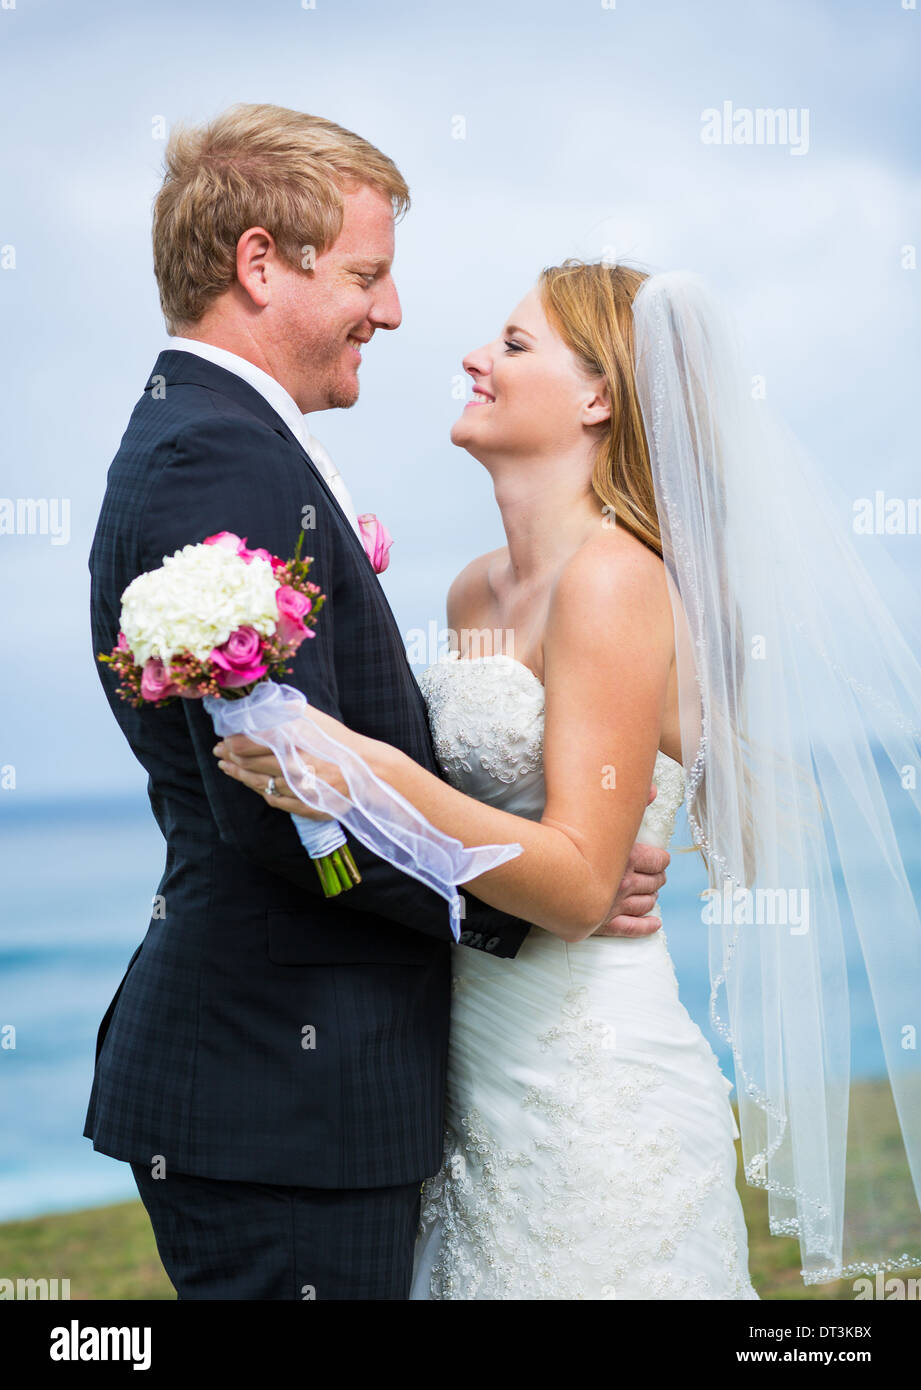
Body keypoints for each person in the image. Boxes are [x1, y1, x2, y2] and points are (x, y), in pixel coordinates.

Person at [85, 104, 668, 1301]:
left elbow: (335, 769)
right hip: (284, 1093)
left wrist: (558, 852)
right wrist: (537, 906)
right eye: (367, 274)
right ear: (260, 264)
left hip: (334, 1089)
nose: (394, 312)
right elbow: (284, 799)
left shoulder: (221, 440)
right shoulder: (221, 458)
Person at [216, 262, 760, 1298]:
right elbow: (508, 838)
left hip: (588, 1085)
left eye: (513, 344)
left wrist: (364, 774)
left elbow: (577, 885)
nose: (471, 355)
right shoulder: (475, 588)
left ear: (598, 397)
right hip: (470, 1067)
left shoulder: (613, 577)